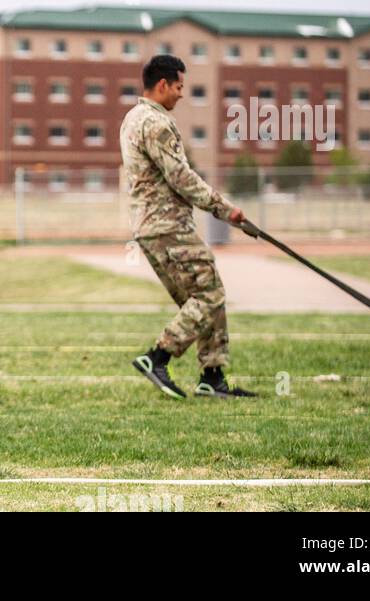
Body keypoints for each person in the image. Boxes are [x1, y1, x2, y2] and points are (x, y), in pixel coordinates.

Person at [119, 55, 256, 399]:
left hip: (150, 227)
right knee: (210, 294)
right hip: (168, 226)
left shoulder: (132, 118)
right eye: (179, 86)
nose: (182, 94)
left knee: (203, 297)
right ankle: (157, 357)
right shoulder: (157, 123)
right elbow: (181, 177)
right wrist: (225, 209)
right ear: (162, 84)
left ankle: (212, 377)